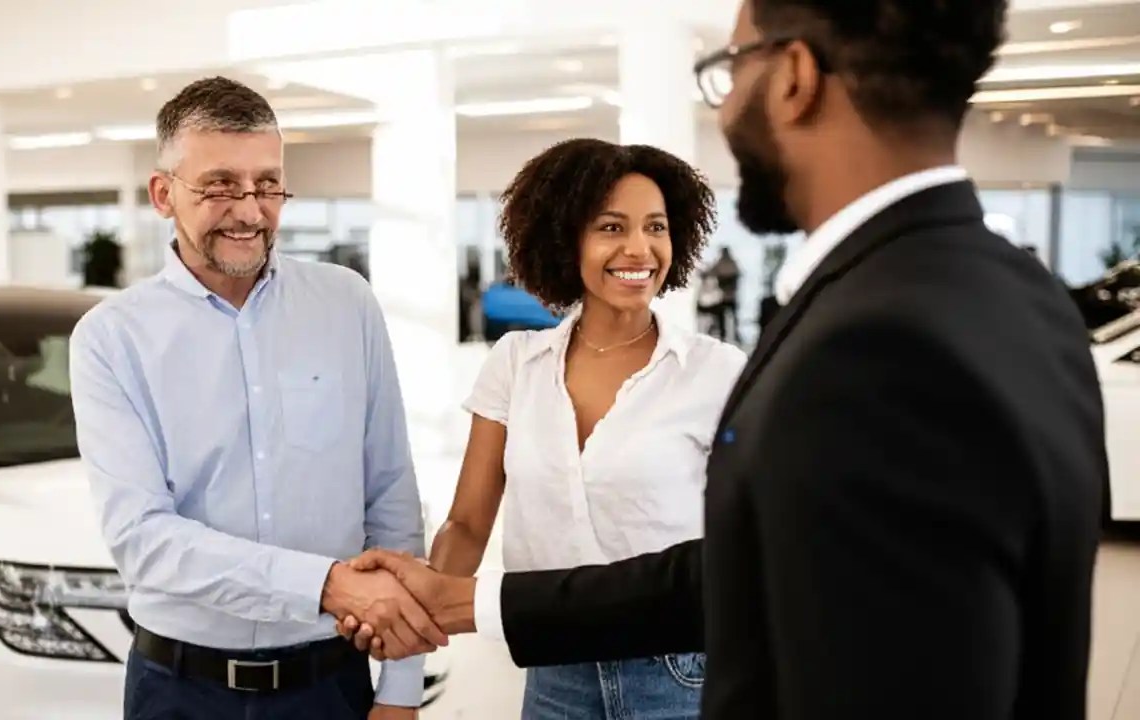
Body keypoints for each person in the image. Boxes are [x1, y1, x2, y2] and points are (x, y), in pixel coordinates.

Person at [340, 1, 1108, 719]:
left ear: (795, 77)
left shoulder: (870, 347)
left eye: (734, 65)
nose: (726, 97)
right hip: (557, 669)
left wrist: (464, 604)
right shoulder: (1024, 296)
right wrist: (457, 602)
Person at [69, 76, 445, 720]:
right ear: (163, 195)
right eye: (219, 185)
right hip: (180, 691)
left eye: (267, 184)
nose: (249, 209)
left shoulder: (346, 303)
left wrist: (401, 689)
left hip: (333, 686)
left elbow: (391, 501)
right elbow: (144, 540)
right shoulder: (112, 338)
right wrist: (325, 585)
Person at [428, 139, 746, 718]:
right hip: (555, 670)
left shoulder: (716, 373)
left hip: (678, 671)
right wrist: (419, 611)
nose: (639, 248)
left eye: (656, 226)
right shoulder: (515, 364)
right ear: (563, 238)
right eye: (611, 227)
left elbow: (747, 541)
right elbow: (467, 524)